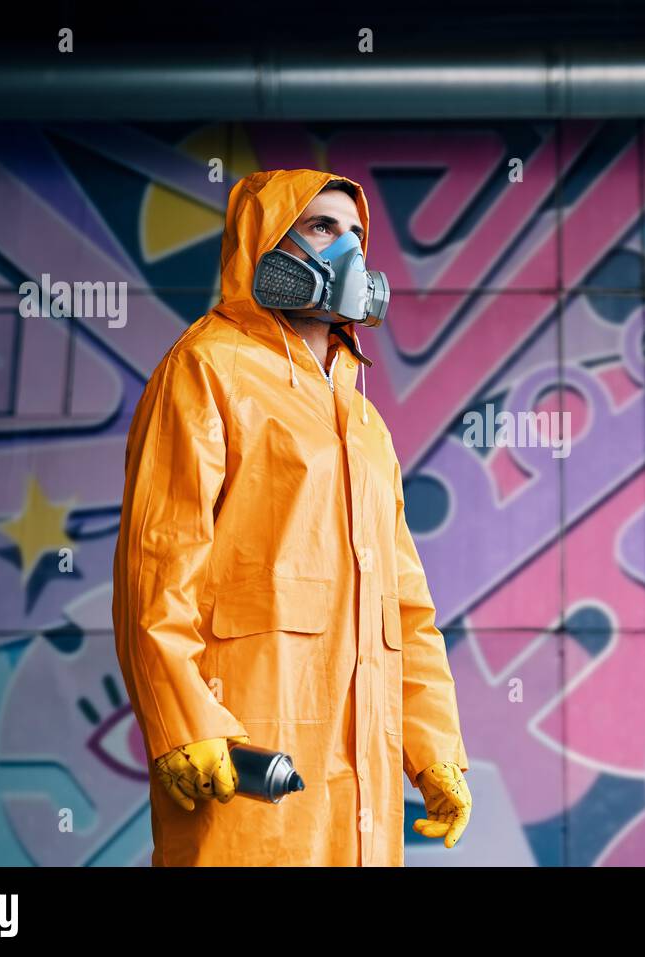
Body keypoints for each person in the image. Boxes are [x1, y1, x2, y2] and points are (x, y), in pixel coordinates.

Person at [111, 168, 471, 866]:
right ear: (264, 244)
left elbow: (407, 611)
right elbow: (159, 564)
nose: (349, 252)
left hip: (359, 794)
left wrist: (435, 751)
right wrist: (184, 722)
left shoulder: (363, 421)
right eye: (322, 228)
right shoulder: (206, 369)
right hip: (244, 770)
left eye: (358, 235)